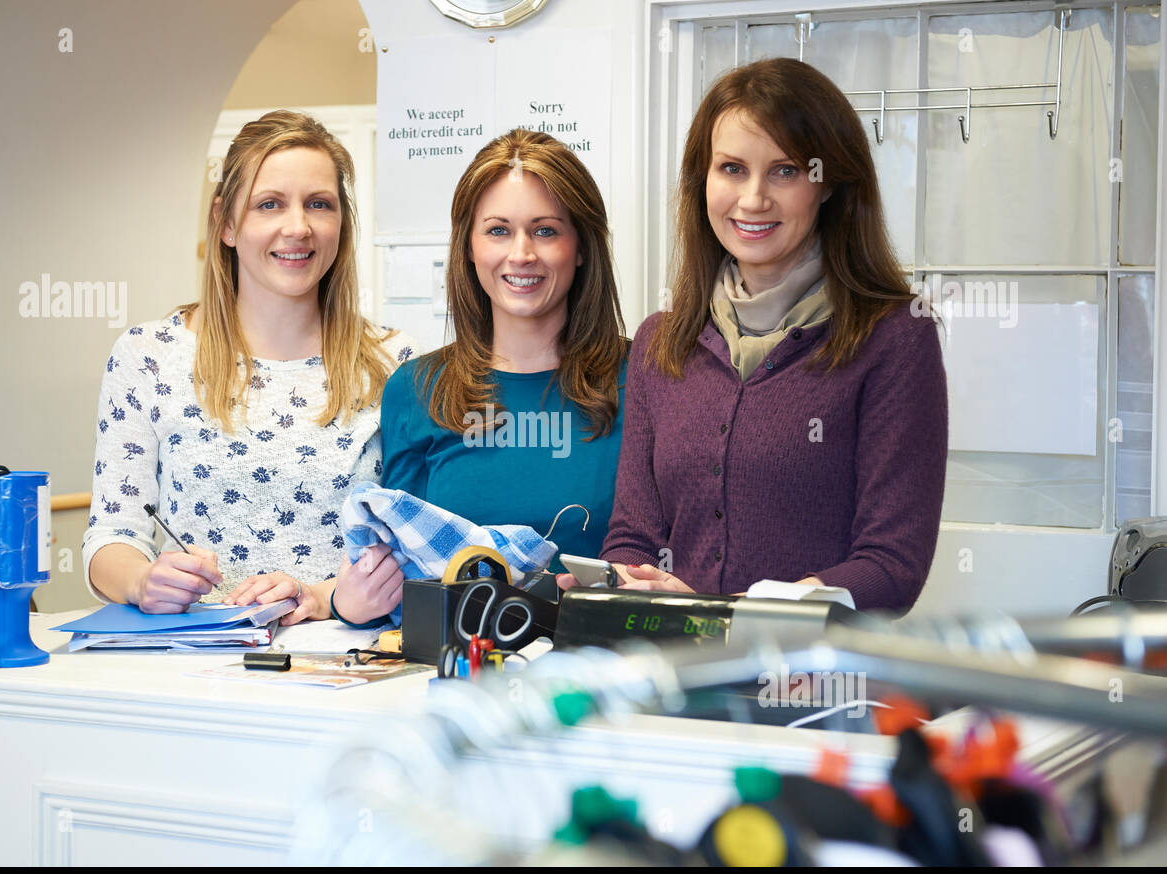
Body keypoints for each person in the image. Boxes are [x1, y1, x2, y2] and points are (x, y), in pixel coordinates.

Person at [595, 58, 948, 612]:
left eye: (785, 171)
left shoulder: (896, 339)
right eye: (732, 168)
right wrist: (614, 584)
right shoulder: (659, 343)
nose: (754, 198)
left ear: (828, 183)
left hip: (814, 687)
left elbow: (891, 566)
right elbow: (634, 538)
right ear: (701, 179)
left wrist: (731, 614)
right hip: (671, 682)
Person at [84, 110, 413, 626]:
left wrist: (323, 596)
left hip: (343, 669)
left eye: (319, 204)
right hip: (190, 668)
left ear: (341, 223)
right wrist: (142, 581)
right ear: (227, 223)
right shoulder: (147, 356)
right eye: (270, 204)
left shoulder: (397, 364)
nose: (298, 226)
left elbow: (415, 545)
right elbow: (112, 536)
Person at [380, 129, 629, 568]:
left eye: (545, 231)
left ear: (581, 248)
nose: (521, 254)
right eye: (498, 230)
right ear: (469, 248)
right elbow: (399, 572)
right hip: (458, 637)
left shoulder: (642, 379)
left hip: (598, 636)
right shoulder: (415, 389)